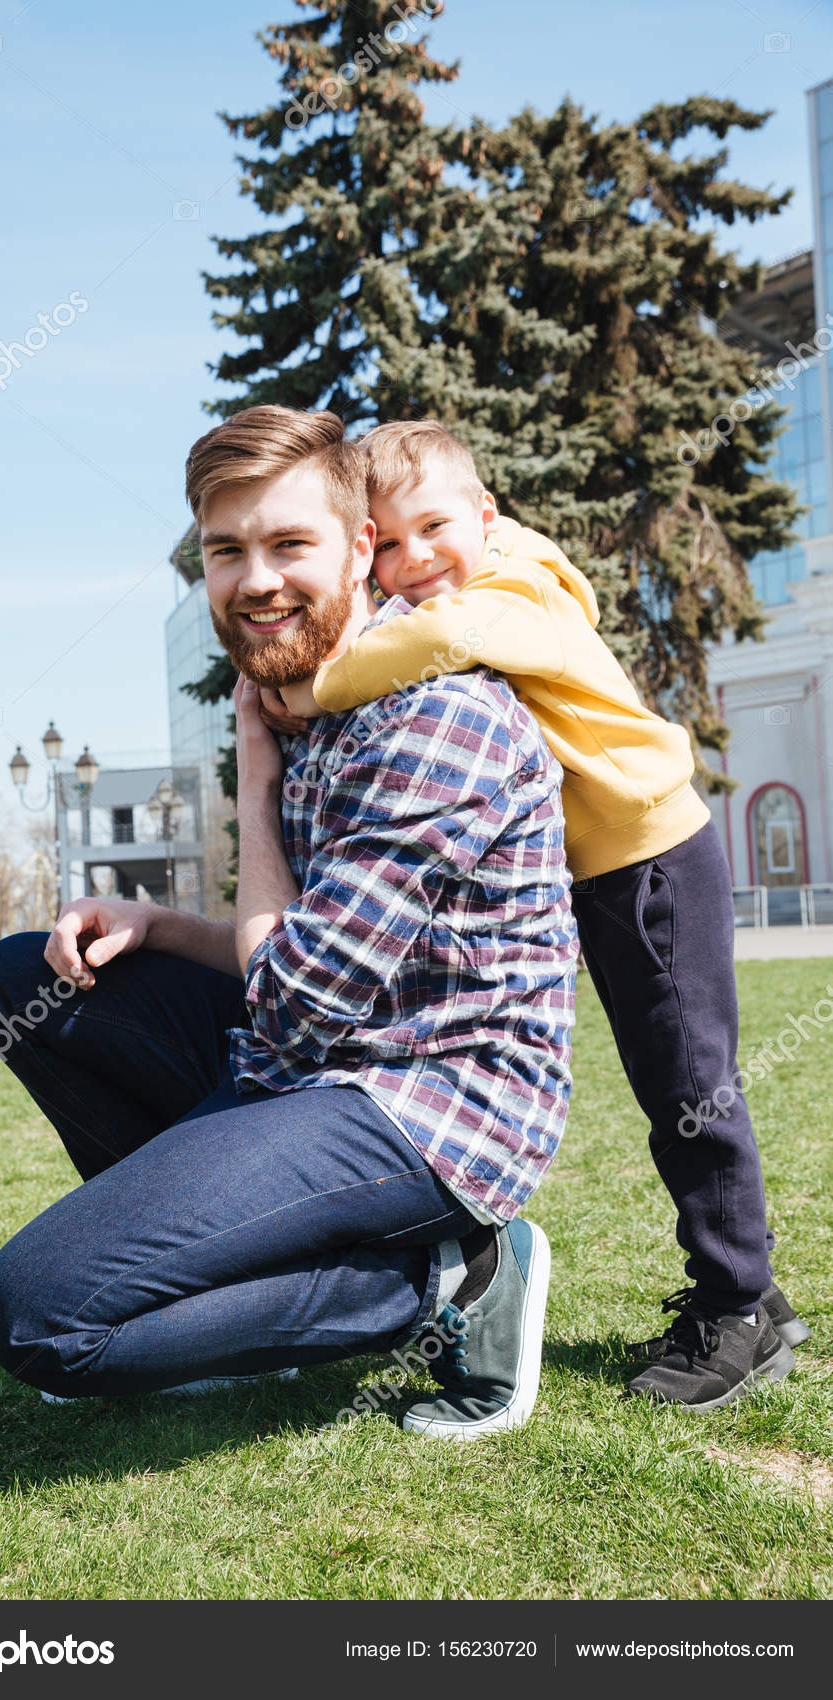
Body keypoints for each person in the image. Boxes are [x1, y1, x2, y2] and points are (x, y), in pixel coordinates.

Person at [0, 405, 577, 1439]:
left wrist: (253, 784)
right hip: (318, 1065)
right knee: (24, 977)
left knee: (39, 1319)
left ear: (362, 553)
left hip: (431, 1104)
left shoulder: (434, 715)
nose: (255, 579)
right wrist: (154, 924)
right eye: (225, 550)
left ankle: (449, 1277)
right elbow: (295, 950)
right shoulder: (314, 704)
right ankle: (203, 1297)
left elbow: (291, 1001)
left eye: (290, 543)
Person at [301, 417, 807, 1413]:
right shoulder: (497, 572)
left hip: (648, 860)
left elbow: (443, 634)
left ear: (484, 517)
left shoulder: (507, 591)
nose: (411, 562)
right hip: (613, 867)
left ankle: (739, 1312)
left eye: (431, 527)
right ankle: (748, 1290)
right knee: (674, 1086)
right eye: (386, 543)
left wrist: (314, 684)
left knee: (689, 1089)